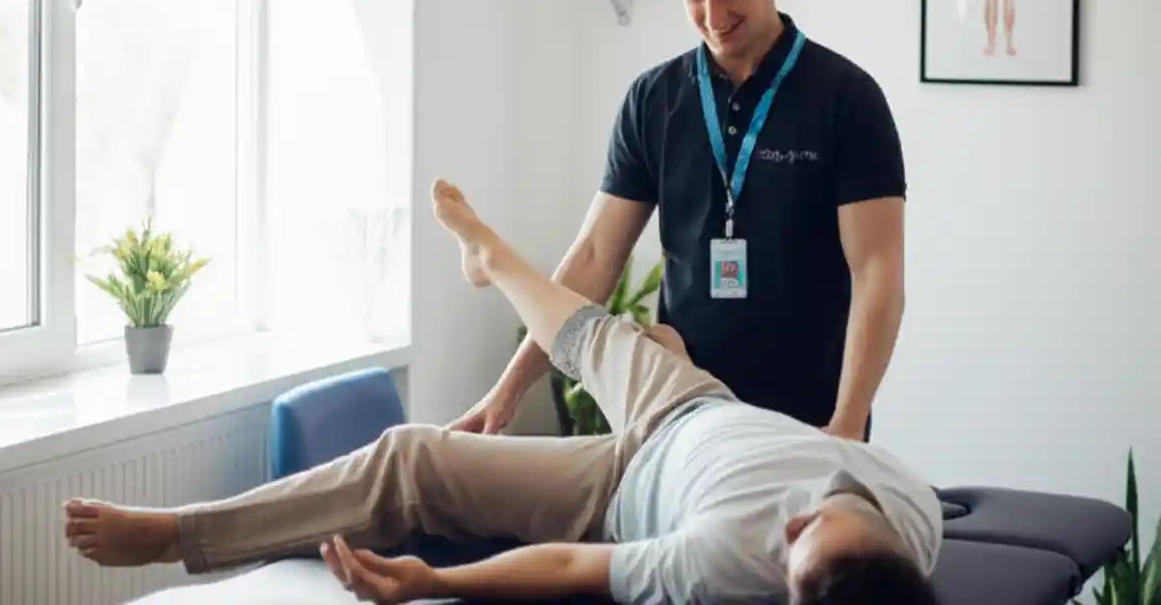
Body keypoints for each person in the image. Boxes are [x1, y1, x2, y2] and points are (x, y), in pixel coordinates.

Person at [63, 180, 942, 605]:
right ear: (887, 545)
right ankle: (496, 261)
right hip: (701, 407)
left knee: (411, 458)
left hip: (625, 489)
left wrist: (429, 585)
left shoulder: (724, 564)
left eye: (788, 560)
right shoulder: (915, 511)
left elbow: (568, 566)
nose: (787, 530)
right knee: (609, 334)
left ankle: (181, 533)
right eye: (812, 533)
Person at [451, 0, 908, 442]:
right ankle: (492, 259)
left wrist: (847, 422)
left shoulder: (846, 98)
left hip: (807, 418)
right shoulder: (653, 99)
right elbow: (595, 258)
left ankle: (491, 259)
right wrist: (506, 393)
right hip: (678, 412)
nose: (713, 16)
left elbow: (878, 273)